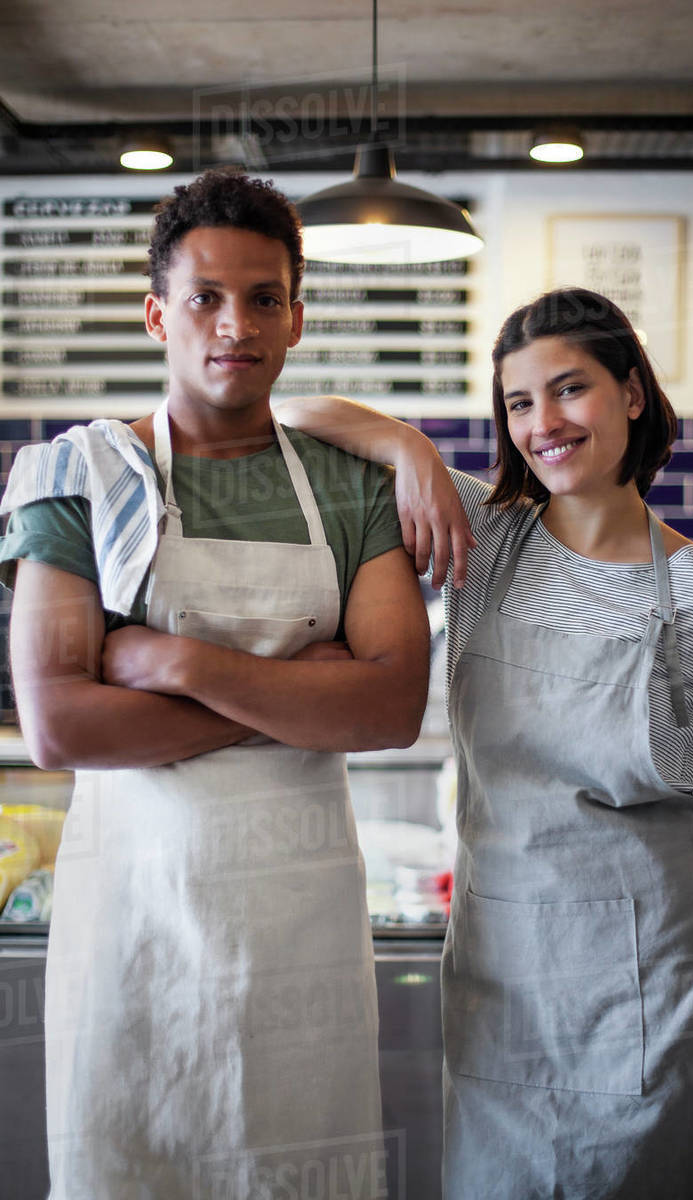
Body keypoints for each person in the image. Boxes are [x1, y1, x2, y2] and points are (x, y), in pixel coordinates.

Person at [275, 286, 693, 1199]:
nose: (543, 423)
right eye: (520, 402)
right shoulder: (476, 535)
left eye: (570, 390)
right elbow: (287, 412)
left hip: (670, 993)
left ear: (632, 393)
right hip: (503, 984)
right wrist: (408, 444)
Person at [0, 169, 430, 1200]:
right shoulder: (78, 477)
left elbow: (389, 706)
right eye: (204, 297)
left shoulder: (352, 486)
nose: (234, 324)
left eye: (263, 297)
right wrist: (291, 693)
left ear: (294, 314)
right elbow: (60, 723)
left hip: (301, 934)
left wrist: (183, 665)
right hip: (132, 929)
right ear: (158, 314)